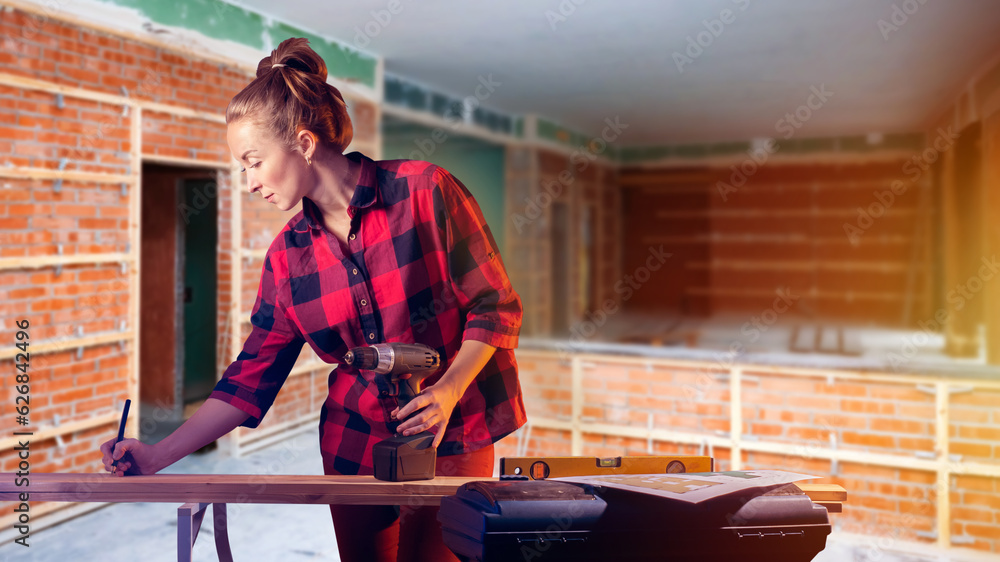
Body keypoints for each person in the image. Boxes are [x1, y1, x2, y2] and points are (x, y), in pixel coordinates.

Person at [100, 37, 526, 562]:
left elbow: (494, 305)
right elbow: (251, 377)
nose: (249, 182)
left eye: (253, 161)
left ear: (302, 144)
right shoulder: (287, 257)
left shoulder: (424, 192)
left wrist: (449, 389)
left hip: (456, 430)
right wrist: (156, 455)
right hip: (355, 440)